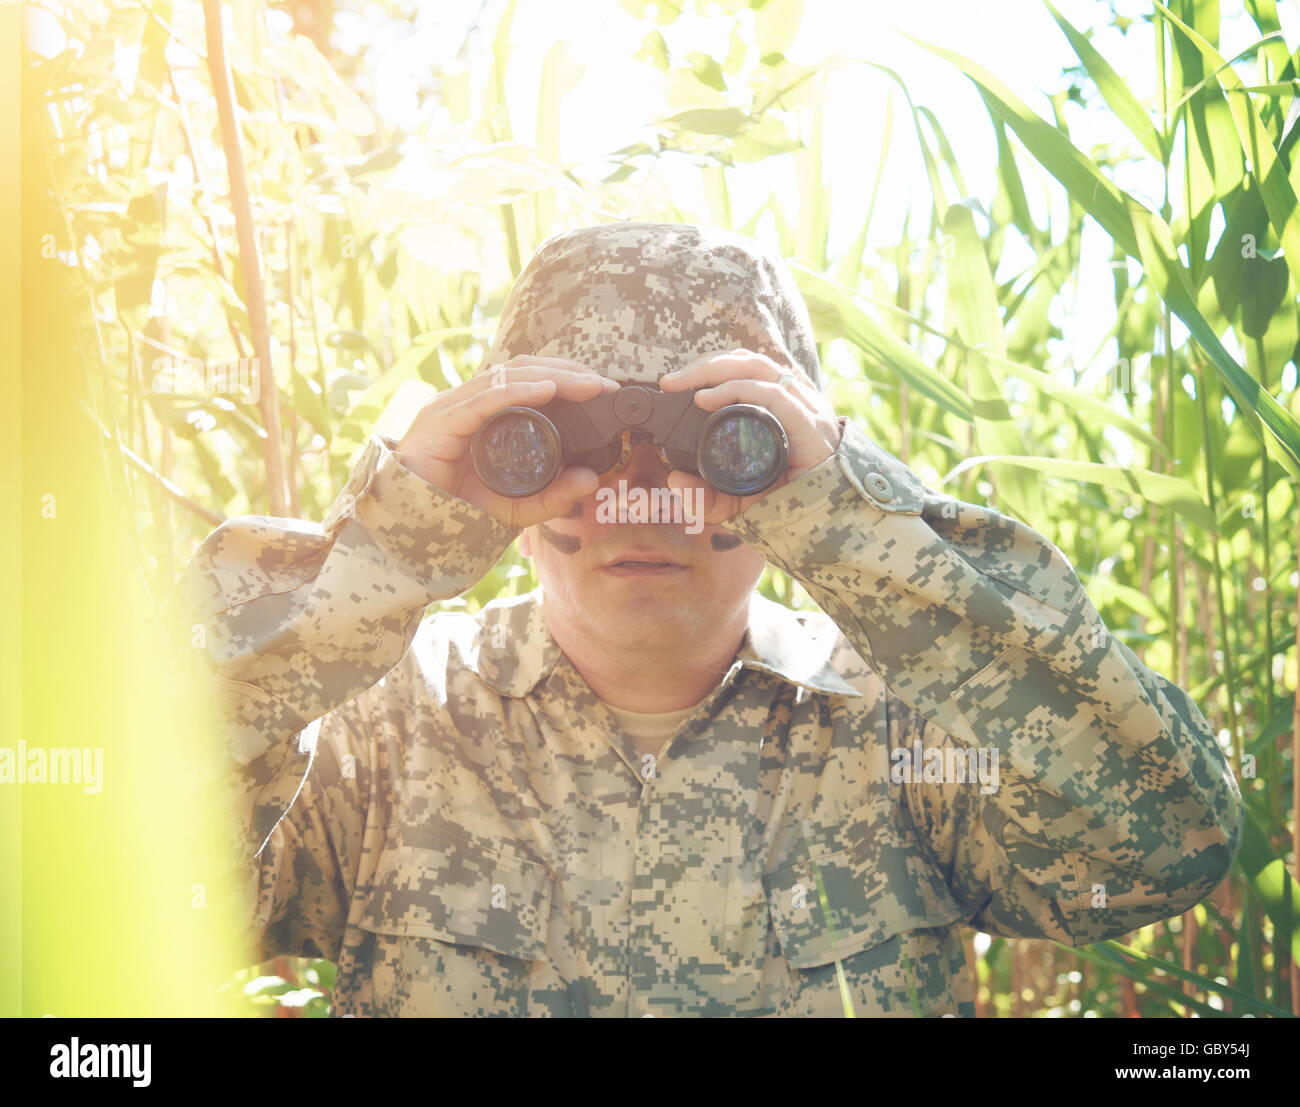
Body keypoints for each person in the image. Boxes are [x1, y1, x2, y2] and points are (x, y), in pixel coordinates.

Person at [167, 221, 1243, 1017]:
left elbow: (1166, 847)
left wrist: (856, 520)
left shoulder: (908, 728)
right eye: (569, 443)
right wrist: (390, 546)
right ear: (499, 451)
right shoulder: (382, 727)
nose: (644, 494)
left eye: (720, 444)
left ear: (797, 464)